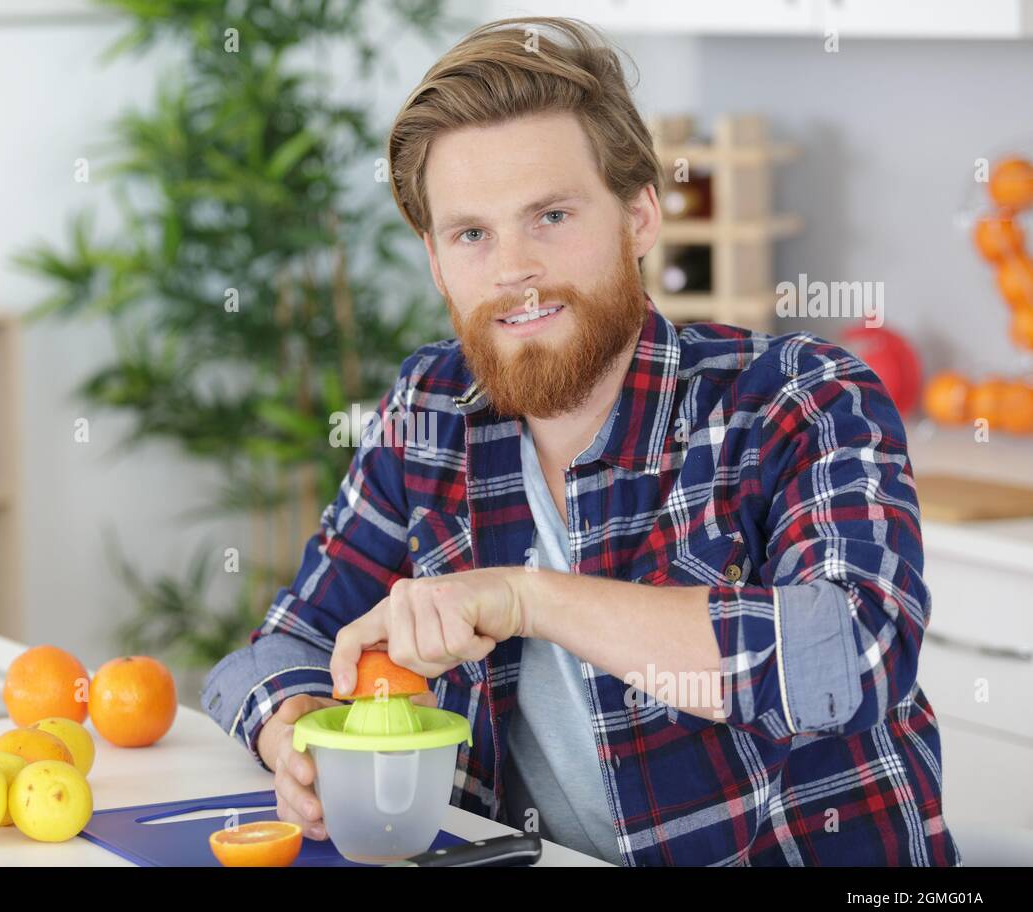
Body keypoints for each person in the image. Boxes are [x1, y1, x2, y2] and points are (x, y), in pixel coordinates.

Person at [200, 16, 960, 866]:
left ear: (638, 216)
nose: (512, 269)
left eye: (551, 216)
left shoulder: (799, 397)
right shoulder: (432, 408)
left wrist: (529, 599)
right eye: (472, 234)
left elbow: (850, 657)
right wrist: (292, 729)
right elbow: (281, 646)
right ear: (436, 259)